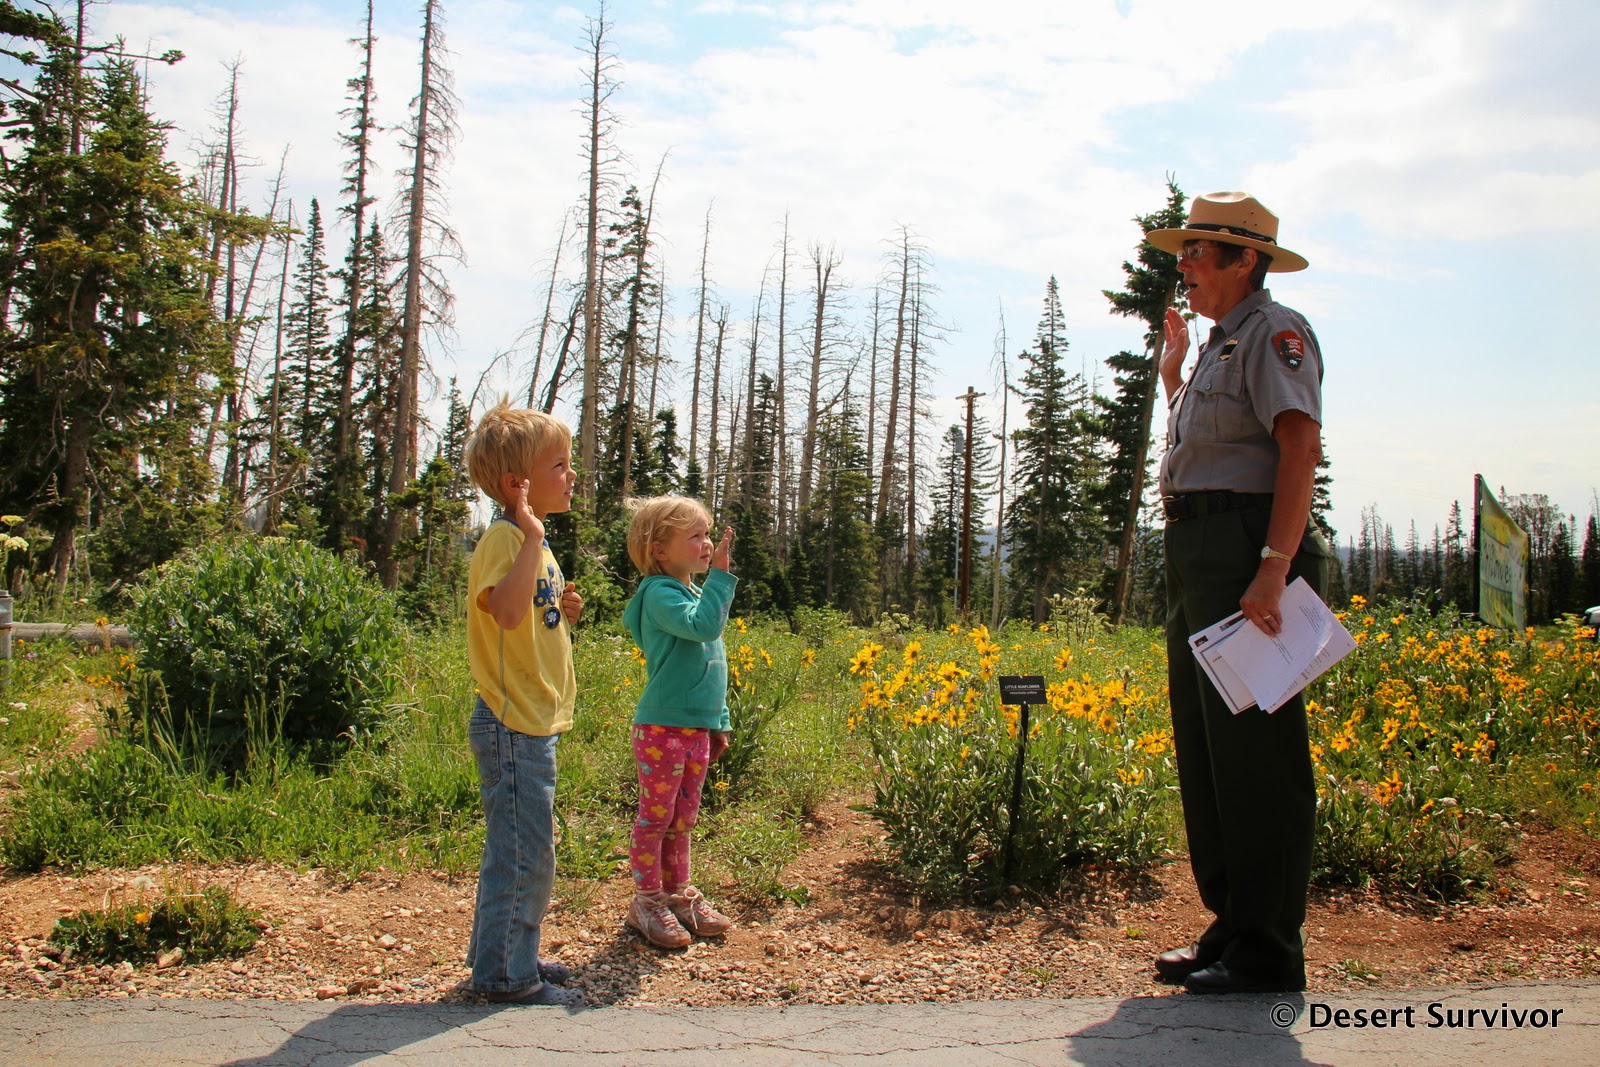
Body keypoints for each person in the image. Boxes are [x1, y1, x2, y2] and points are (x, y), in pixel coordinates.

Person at [1145, 191, 1331, 994]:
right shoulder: (1218, 345)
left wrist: (1274, 565)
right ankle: (1233, 921)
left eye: (1197, 251)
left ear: (1244, 259)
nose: (1183, 265)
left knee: (1258, 756)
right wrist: (1173, 378)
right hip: (1198, 553)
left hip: (1246, 550)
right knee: (1208, 751)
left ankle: (1269, 947)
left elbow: (1299, 448)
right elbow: (1211, 448)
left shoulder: (1274, 333)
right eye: (1183, 252)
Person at [460, 400, 585, 1006]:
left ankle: (506, 953)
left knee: (520, 847)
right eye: (559, 465)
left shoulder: (531, 544)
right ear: (518, 484)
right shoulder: (507, 541)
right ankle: (505, 976)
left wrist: (565, 610)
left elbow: (530, 614)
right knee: (525, 853)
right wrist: (532, 539)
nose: (572, 474)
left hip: (531, 720)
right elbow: (506, 613)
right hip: (510, 721)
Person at [620, 496, 738, 949]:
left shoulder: (694, 594)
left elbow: (713, 662)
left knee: (683, 819)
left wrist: (719, 721)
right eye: (695, 536)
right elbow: (704, 628)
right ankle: (646, 901)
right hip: (662, 729)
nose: (707, 544)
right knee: (656, 818)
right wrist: (721, 578)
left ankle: (677, 894)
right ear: (659, 550)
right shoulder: (659, 594)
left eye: (707, 534)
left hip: (695, 729)